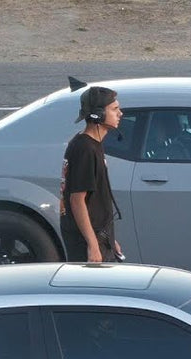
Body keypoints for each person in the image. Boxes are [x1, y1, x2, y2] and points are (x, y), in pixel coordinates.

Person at [60, 85, 124, 264]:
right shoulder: (86, 149)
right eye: (114, 109)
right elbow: (77, 200)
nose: (120, 113)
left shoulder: (88, 144)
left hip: (98, 237)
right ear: (98, 114)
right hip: (88, 242)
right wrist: (93, 245)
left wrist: (110, 241)